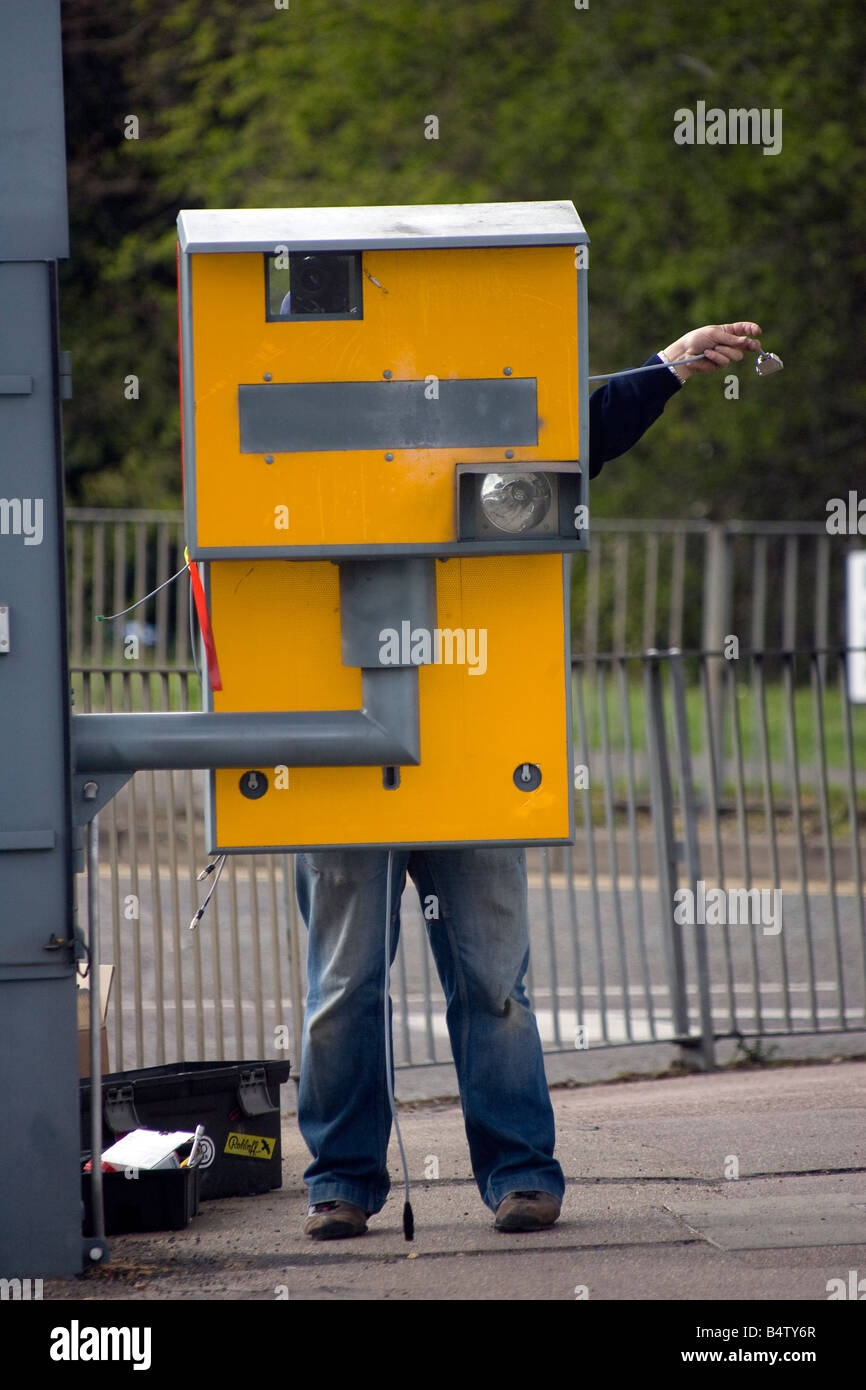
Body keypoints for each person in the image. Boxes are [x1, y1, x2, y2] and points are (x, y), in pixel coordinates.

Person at [297, 321, 764, 1240]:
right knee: (343, 987)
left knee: (490, 981)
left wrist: (667, 368)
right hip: (349, 748)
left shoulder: (480, 436)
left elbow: (571, 424)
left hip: (467, 739)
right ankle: (341, 1183)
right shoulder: (315, 444)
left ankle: (517, 1175)